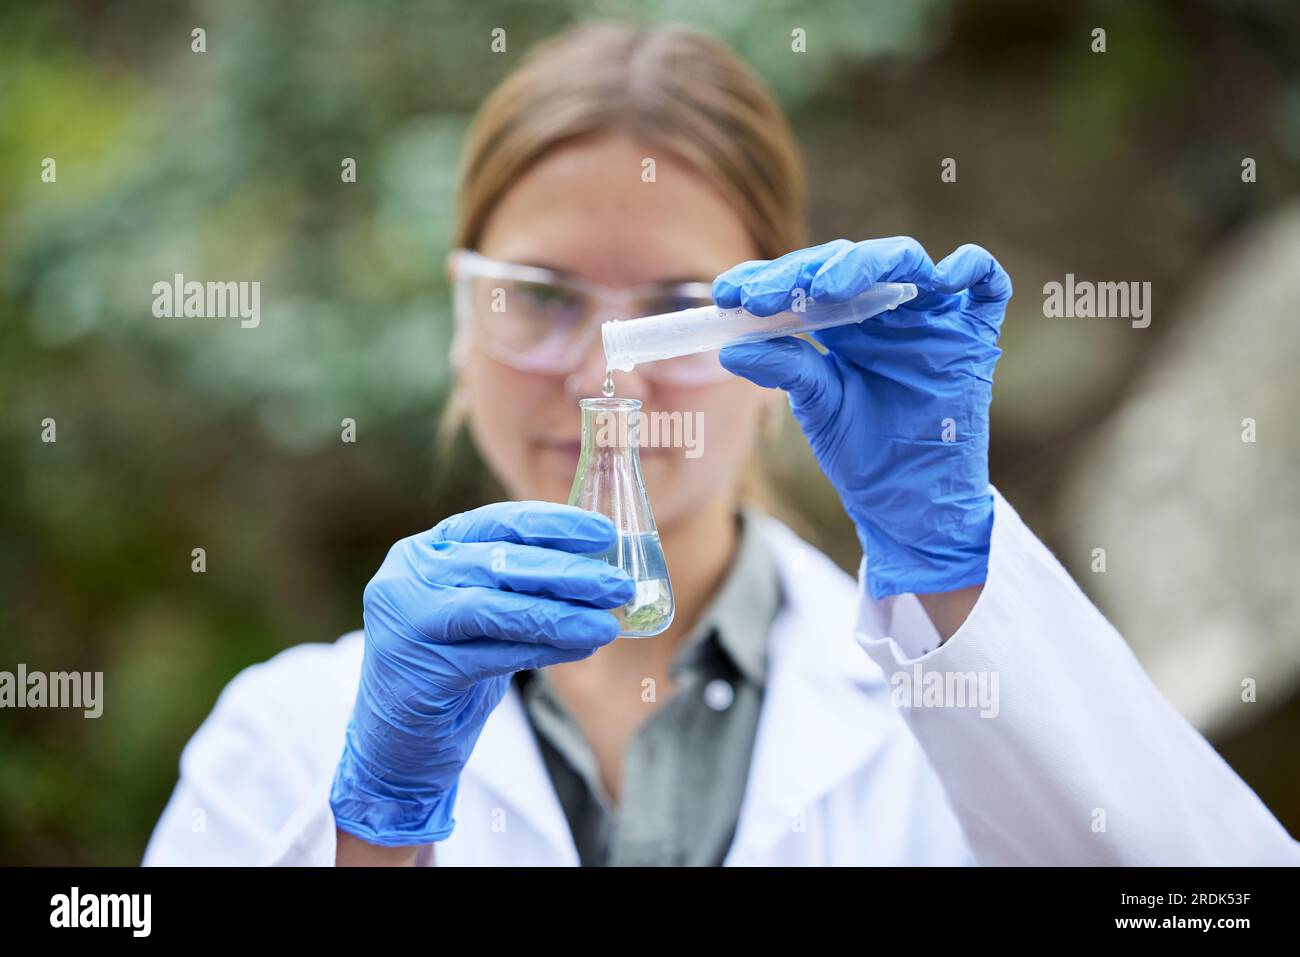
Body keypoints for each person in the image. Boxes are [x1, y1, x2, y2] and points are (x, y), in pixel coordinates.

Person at [143, 22, 1298, 867]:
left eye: (673, 306)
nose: (605, 364)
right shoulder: (286, 737)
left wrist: (952, 579)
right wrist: (371, 841)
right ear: (460, 322)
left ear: (777, 335)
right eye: (537, 295)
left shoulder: (945, 701)